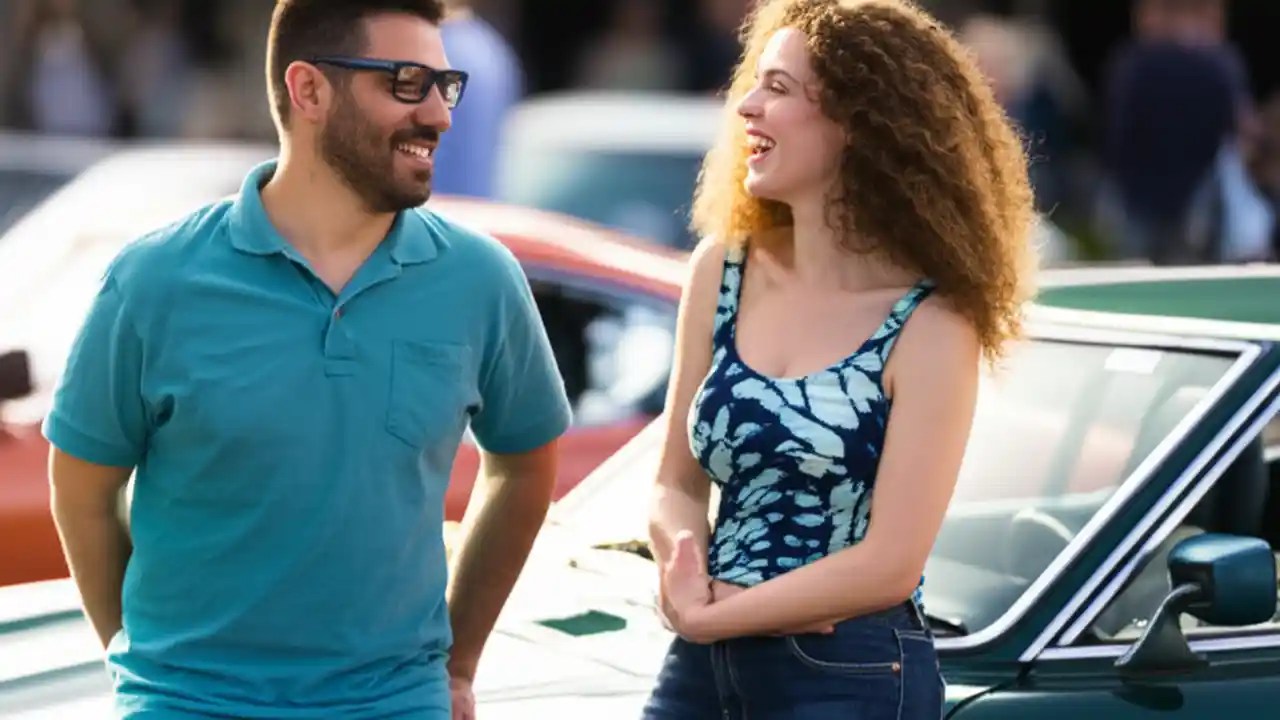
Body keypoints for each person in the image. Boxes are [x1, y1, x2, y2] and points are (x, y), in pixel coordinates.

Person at [43, 1, 572, 718]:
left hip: (395, 703)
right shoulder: (155, 280)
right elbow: (81, 484)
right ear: (309, 90)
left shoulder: (480, 278)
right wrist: (149, 666)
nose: (441, 116)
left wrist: (459, 661)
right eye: (407, 83)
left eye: (446, 86)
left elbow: (523, 464)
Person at [643, 0, 1037, 717]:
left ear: (861, 125)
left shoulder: (932, 321)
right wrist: (685, 571)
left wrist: (712, 614)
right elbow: (674, 482)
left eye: (780, 89)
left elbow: (890, 565)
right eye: (754, 84)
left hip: (846, 669)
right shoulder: (720, 270)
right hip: (702, 660)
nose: (747, 107)